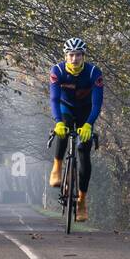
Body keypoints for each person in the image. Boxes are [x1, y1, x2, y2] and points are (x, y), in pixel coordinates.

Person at [48, 36, 103, 222]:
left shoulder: (94, 73)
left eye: (78, 55)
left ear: (83, 56)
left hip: (86, 112)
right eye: (71, 55)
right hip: (65, 108)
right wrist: (57, 121)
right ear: (66, 56)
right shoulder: (57, 71)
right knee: (62, 131)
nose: (74, 59)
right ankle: (57, 167)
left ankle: (82, 201)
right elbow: (54, 100)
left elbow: (97, 103)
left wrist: (89, 124)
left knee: (83, 150)